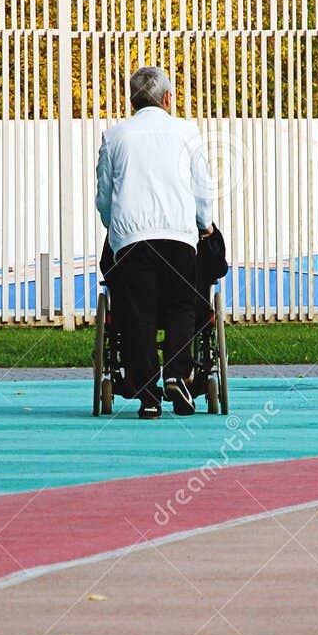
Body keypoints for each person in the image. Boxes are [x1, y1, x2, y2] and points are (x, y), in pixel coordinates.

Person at [96, 66, 215, 419]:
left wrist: (113, 226)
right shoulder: (186, 132)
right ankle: (179, 374)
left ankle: (148, 394)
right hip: (178, 234)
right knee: (182, 306)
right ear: (167, 98)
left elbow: (104, 195)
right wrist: (204, 224)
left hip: (131, 239)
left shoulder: (115, 136)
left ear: (131, 100)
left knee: (138, 313)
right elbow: (202, 187)